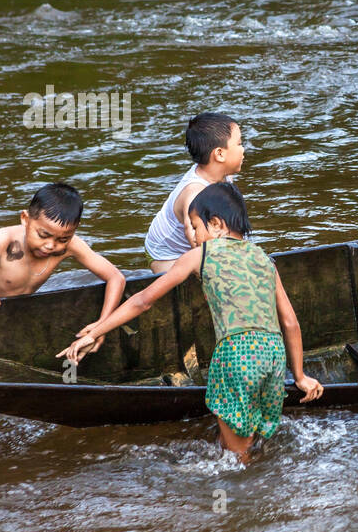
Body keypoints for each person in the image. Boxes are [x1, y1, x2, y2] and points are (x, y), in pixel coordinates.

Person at [61, 182, 323, 463]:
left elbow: (143, 300)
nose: (194, 237)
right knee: (246, 437)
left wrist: (97, 331)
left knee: (237, 455)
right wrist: (299, 376)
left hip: (237, 354)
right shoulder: (264, 259)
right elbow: (290, 322)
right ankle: (258, 472)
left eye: (196, 228)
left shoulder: (200, 255)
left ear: (217, 224)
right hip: (273, 354)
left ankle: (248, 499)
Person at [0, 184, 125, 349]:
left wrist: (102, 325)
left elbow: (115, 277)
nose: (51, 246)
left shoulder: (71, 246)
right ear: (25, 219)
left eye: (63, 239)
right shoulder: (3, 240)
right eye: (43, 235)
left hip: (13, 317)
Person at [144, 112, 245, 273]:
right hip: (167, 254)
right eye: (239, 144)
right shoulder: (194, 193)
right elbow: (195, 241)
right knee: (206, 271)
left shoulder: (224, 174)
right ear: (219, 154)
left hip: (192, 244)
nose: (243, 149)